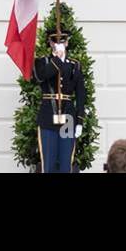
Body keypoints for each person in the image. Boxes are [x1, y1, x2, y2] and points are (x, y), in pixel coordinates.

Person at [34, 31, 86, 173]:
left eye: (62, 41)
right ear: (50, 43)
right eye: (55, 42)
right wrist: (57, 59)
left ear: (67, 43)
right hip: (48, 117)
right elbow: (41, 76)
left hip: (68, 118)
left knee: (65, 164)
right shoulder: (42, 62)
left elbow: (81, 94)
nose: (59, 44)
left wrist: (80, 121)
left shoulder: (75, 65)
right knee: (48, 164)